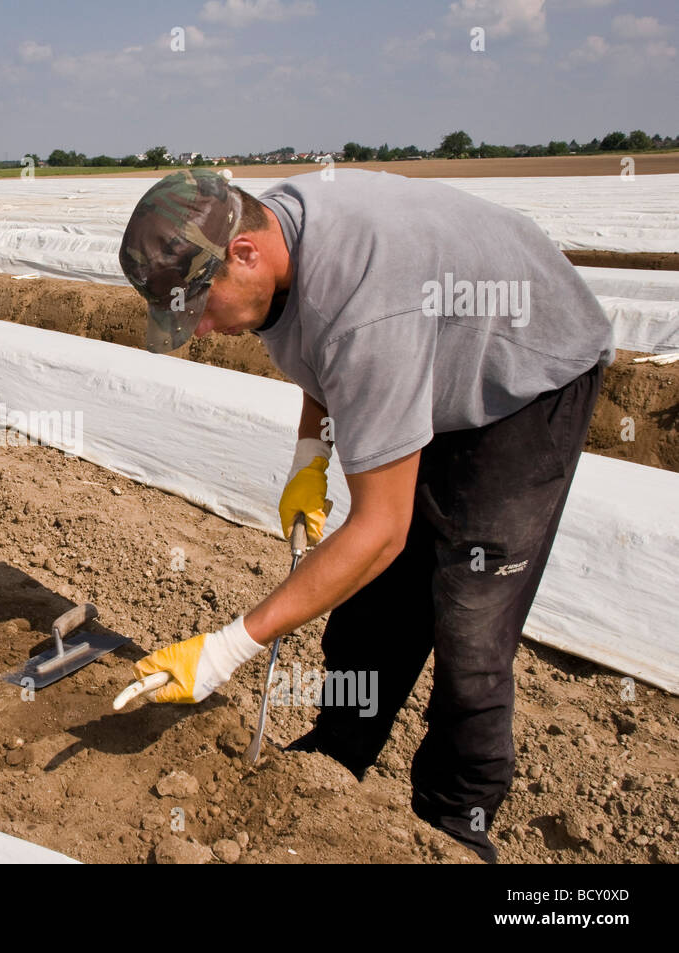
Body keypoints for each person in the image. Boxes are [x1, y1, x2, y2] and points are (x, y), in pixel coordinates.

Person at [118, 167, 613, 862]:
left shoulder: (365, 306)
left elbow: (380, 529)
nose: (197, 328)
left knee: (468, 617)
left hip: (525, 376)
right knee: (380, 601)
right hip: (433, 350)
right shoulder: (270, 230)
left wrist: (228, 646)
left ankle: (452, 825)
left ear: (245, 255)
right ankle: (336, 754)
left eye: (197, 306)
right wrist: (308, 454)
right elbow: (322, 350)